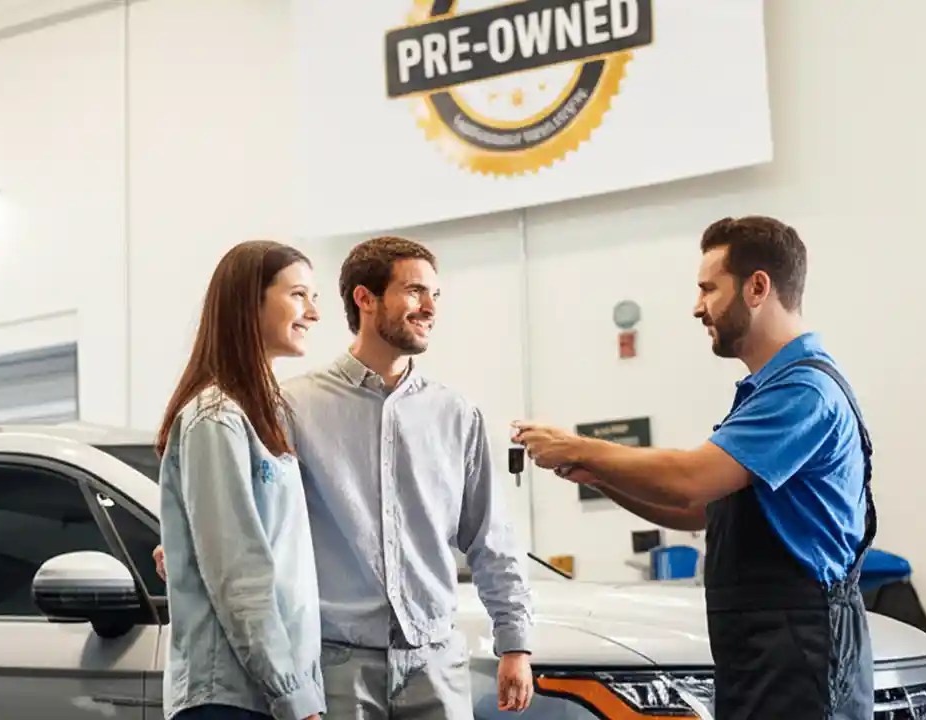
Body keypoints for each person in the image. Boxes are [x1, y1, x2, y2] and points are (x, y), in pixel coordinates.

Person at [512, 215, 877, 720]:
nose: (697, 307)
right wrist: (600, 476)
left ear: (757, 287)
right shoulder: (765, 393)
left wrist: (579, 446)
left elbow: (691, 477)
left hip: (801, 650)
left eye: (708, 288)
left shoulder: (802, 392)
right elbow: (697, 507)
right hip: (764, 651)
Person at [157, 235, 535, 719]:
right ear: (365, 298)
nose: (429, 307)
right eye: (415, 291)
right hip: (334, 664)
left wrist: (515, 641)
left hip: (436, 663)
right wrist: (191, 544)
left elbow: (491, 537)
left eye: (435, 295)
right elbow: (242, 547)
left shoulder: (457, 415)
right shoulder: (280, 407)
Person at [154, 240, 327, 720]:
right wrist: (292, 694)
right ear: (250, 301)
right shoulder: (216, 418)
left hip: (265, 693)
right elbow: (239, 576)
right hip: (232, 697)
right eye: (299, 295)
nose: (313, 313)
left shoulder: (263, 414)